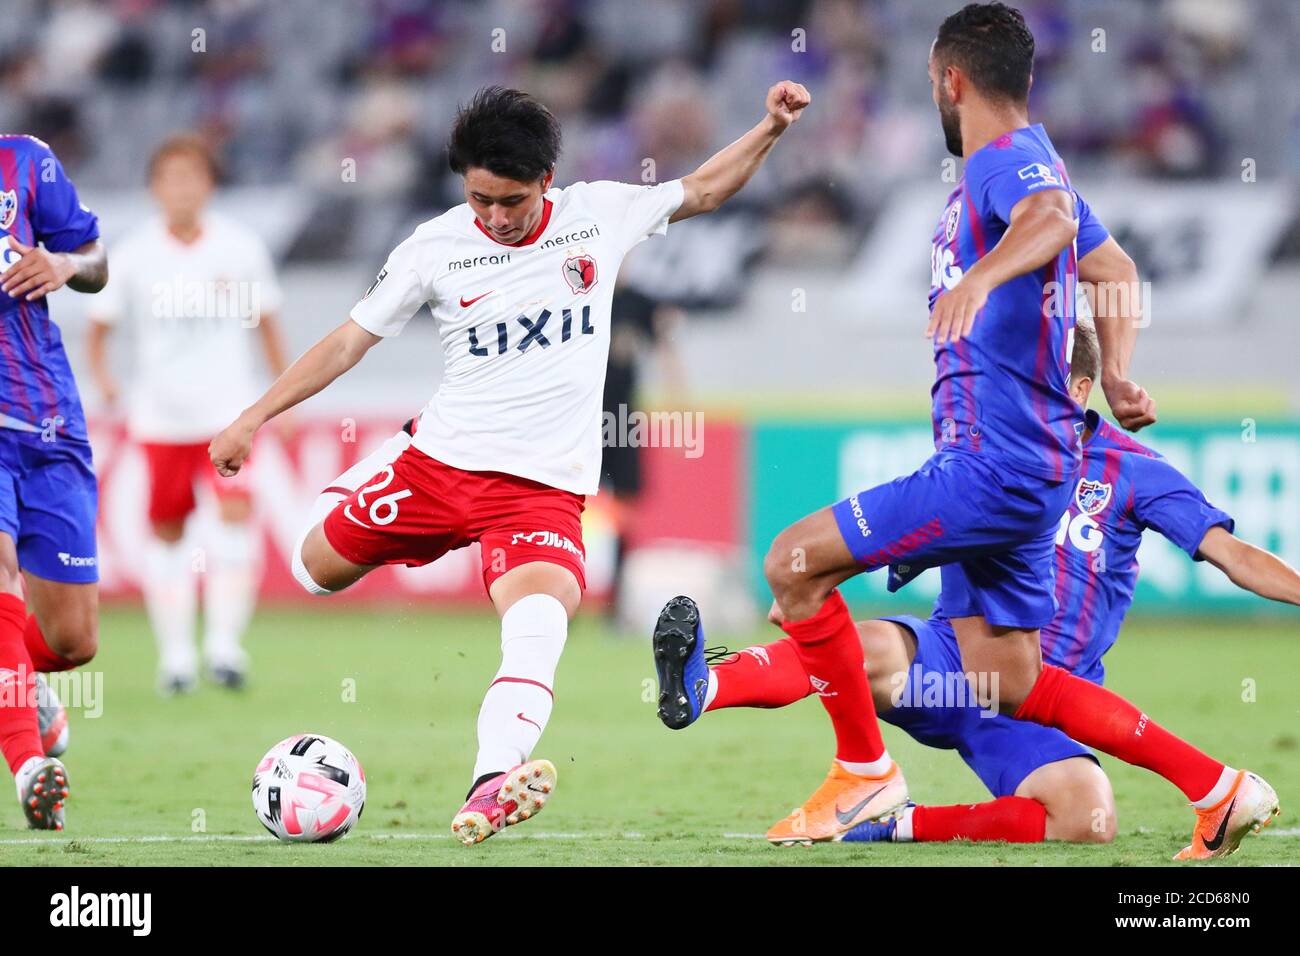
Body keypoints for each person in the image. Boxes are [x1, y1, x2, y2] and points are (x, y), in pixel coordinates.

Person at [670, 4, 1272, 855]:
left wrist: (981, 280)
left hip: (991, 465)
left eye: (930, 85)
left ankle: (865, 779)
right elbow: (1115, 266)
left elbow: (1054, 225)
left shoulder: (1009, 163)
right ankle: (1216, 787)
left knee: (791, 564)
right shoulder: (1031, 165)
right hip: (1033, 474)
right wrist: (1123, 373)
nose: (932, 100)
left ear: (952, 80)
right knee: (1013, 678)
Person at [208, 82, 811, 846]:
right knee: (311, 567)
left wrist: (770, 127)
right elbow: (348, 342)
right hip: (435, 466)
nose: (494, 216)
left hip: (541, 492)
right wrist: (254, 416)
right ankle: (379, 484)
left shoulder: (599, 214)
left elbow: (704, 188)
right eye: (480, 199)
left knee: (538, 626)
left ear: (547, 182)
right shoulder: (434, 247)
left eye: (512, 201)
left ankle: (491, 781)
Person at [656, 323, 1288, 858]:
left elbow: (1232, 555)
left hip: (1036, 691)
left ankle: (895, 824)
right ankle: (708, 684)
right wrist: (818, 575)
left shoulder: (1137, 473)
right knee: (870, 645)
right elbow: (917, 525)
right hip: (951, 664)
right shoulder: (984, 456)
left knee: (1085, 818)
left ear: (1077, 389)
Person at [87, 134, 288, 693]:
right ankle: (175, 657)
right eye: (171, 178)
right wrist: (104, 380)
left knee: (234, 520)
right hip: (162, 416)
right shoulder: (132, 254)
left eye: (192, 177)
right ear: (155, 187)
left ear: (209, 184)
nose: (182, 188)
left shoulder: (240, 247)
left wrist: (283, 395)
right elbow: (99, 331)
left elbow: (267, 322)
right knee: (170, 532)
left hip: (229, 413)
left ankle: (225, 647)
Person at [0, 133, 108, 829]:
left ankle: (21, 685)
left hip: (51, 422)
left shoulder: (27, 161)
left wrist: (62, 264)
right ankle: (28, 764)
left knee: (74, 642)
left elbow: (99, 264)